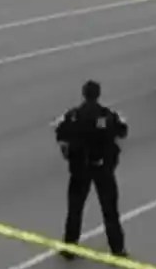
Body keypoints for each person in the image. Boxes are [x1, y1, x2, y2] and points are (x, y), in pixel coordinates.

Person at [53, 80, 129, 259]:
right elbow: (122, 131)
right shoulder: (107, 115)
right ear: (98, 94)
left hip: (80, 169)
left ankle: (69, 247)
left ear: (84, 94)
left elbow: (60, 134)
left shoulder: (73, 115)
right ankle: (117, 248)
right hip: (103, 168)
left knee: (75, 209)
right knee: (110, 210)